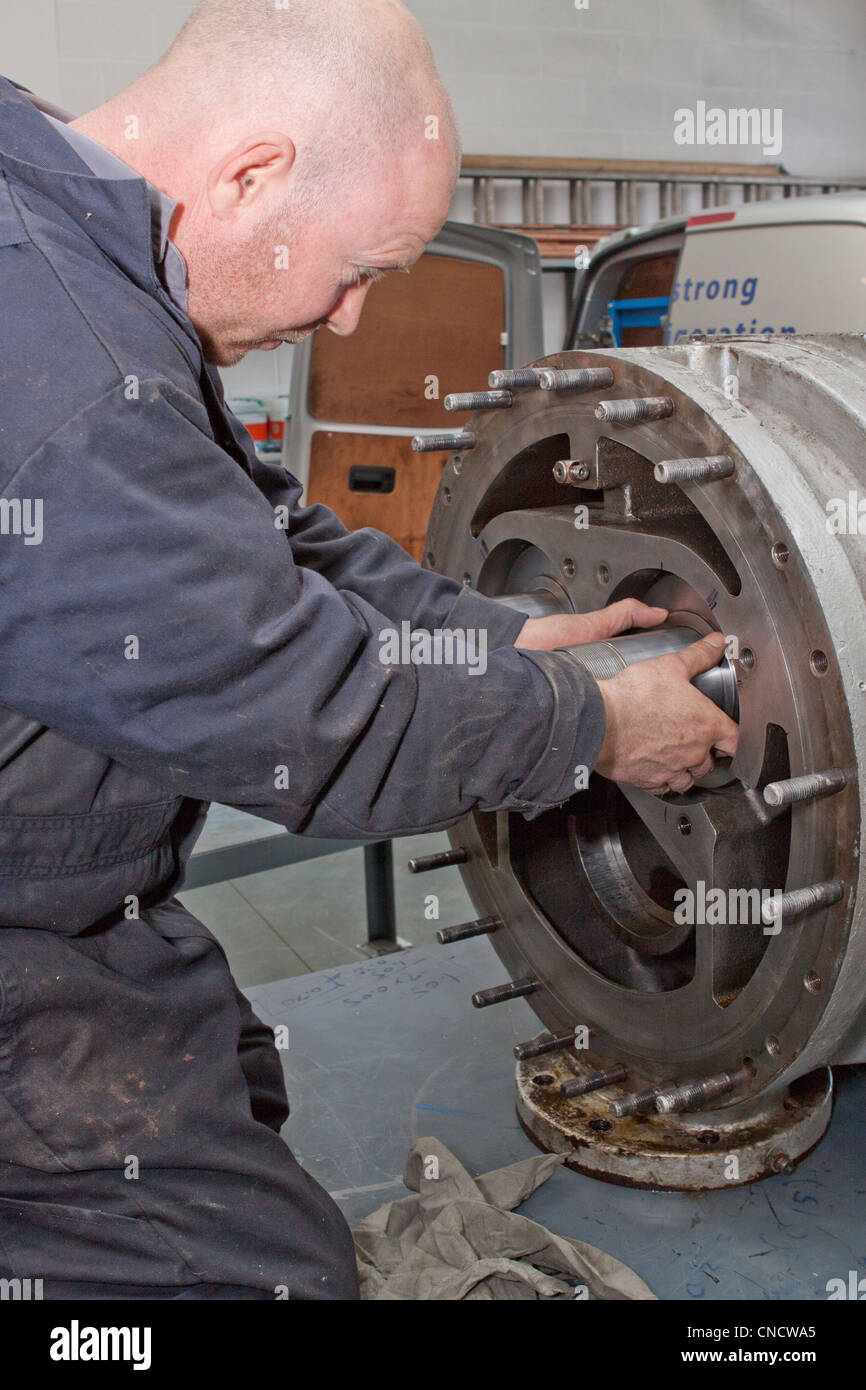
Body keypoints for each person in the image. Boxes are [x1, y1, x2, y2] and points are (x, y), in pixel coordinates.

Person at [0, 0, 738, 1299]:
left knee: (239, 1078)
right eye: (354, 269)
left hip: (69, 904)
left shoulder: (62, 219)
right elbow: (304, 719)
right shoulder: (65, 372)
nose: (348, 321)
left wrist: (506, 636)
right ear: (250, 173)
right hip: (24, 947)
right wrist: (599, 724)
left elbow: (271, 548)